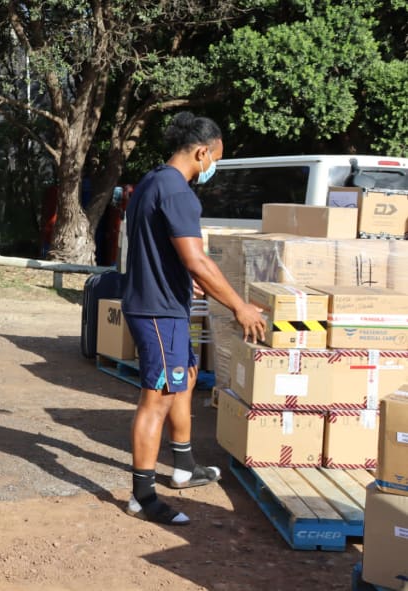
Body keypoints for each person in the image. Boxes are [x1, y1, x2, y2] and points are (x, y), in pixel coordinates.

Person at [121, 111, 265, 525]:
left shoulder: (152, 180)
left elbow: (163, 249)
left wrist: (184, 276)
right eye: (215, 158)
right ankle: (142, 496)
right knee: (158, 396)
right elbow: (196, 258)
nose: (213, 168)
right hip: (157, 310)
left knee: (183, 374)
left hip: (164, 302)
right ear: (202, 151)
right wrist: (239, 305)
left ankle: (183, 466)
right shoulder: (178, 191)